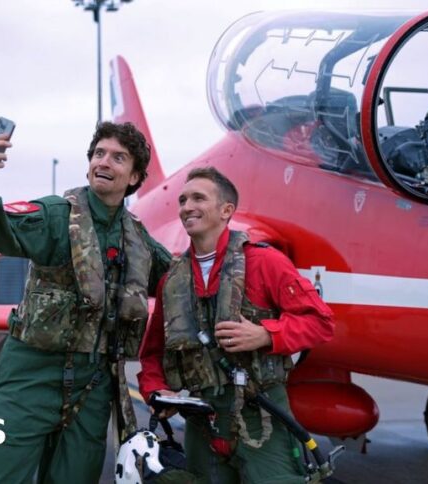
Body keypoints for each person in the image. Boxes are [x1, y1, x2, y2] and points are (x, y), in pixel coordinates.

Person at [0, 121, 171, 483]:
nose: (104, 162)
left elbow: (181, 282)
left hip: (94, 386)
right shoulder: (55, 216)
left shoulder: (139, 239)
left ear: (135, 176)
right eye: (99, 154)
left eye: (118, 158)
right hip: (31, 376)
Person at [137, 166, 334, 483]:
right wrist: (156, 390)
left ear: (226, 210)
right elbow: (153, 353)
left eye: (199, 198)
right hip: (203, 419)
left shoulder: (265, 262)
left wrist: (265, 334)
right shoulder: (172, 282)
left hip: (261, 414)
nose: (187, 207)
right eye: (183, 199)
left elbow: (320, 322)